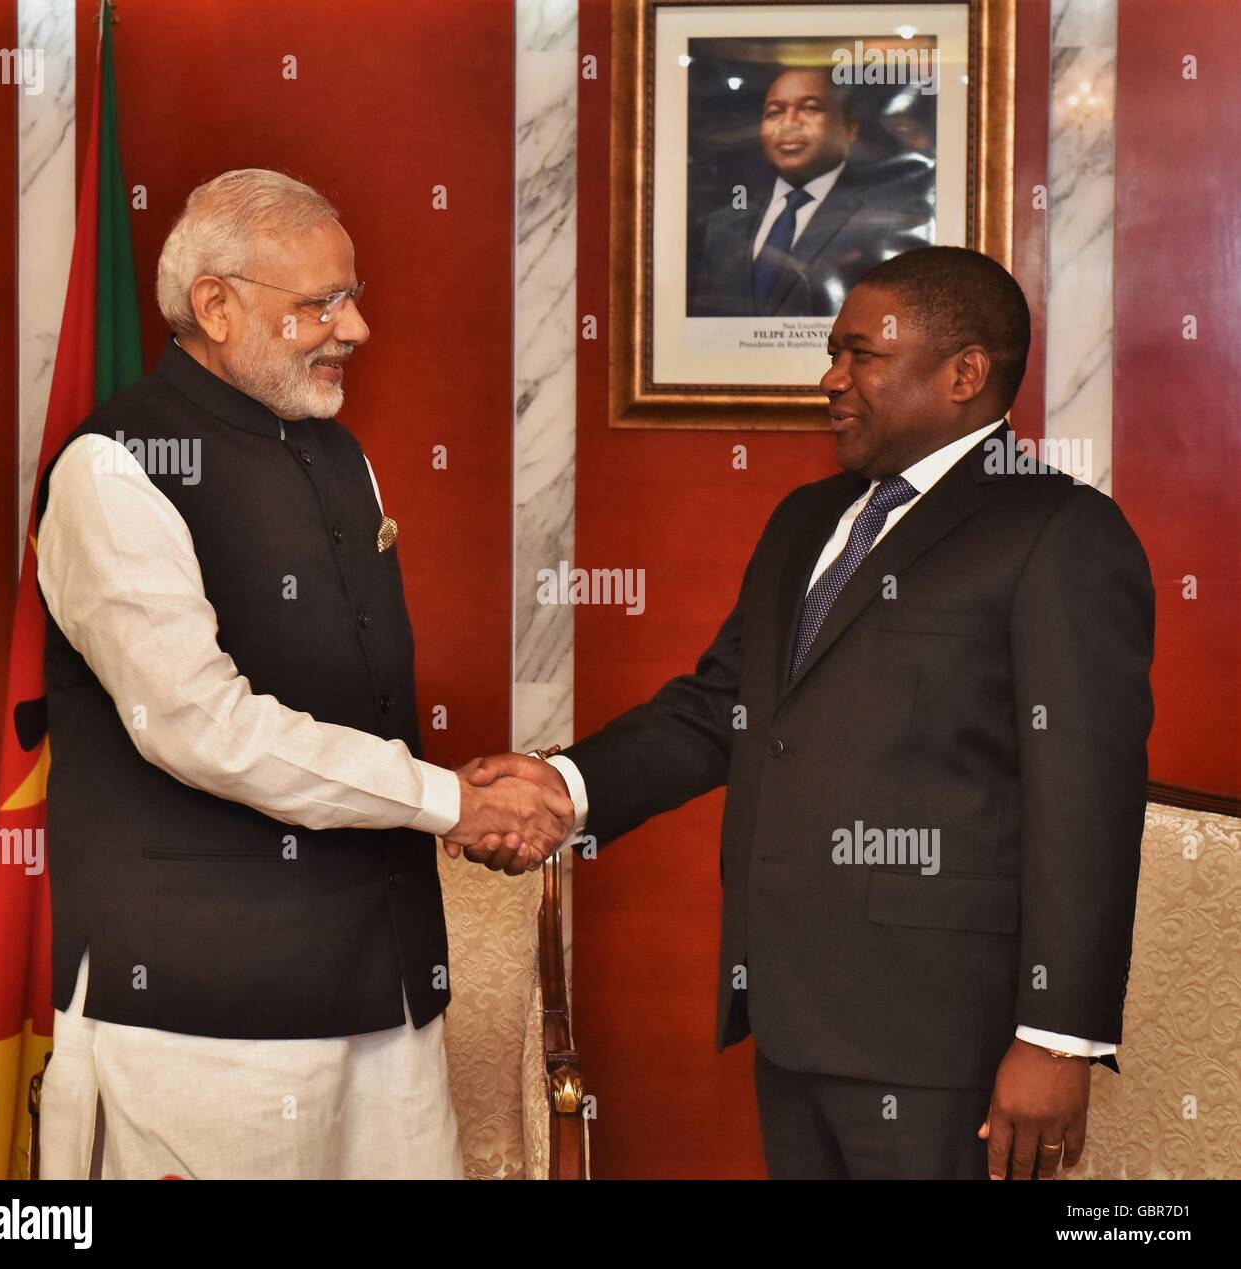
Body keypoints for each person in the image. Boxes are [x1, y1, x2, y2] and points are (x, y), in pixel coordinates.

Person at [459, 246, 1155, 1180]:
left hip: (948, 1044)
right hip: (790, 1015)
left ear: (964, 373)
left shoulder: (1059, 531)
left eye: (862, 354)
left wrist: (1058, 1037)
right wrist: (566, 786)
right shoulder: (805, 519)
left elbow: (1089, 804)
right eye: (832, 352)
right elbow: (721, 708)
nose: (831, 379)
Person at [34, 168, 572, 1179]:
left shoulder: (339, 454)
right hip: (206, 1021)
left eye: (352, 297)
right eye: (323, 302)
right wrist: (450, 801)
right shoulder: (114, 469)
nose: (355, 328)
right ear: (215, 305)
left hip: (387, 993)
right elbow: (200, 727)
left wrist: (452, 804)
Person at [690, 67, 934, 318]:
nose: (789, 124)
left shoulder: (894, 217)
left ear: (849, 128)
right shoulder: (725, 227)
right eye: (775, 112)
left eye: (810, 108)